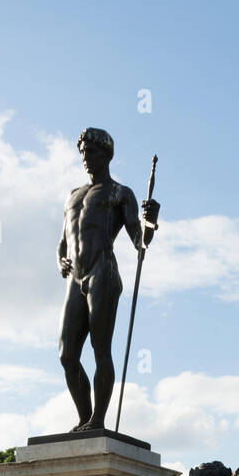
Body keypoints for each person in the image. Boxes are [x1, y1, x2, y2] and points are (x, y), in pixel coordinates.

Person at [58, 128, 159, 431]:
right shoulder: (73, 195)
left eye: (92, 152)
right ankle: (84, 418)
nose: (86, 158)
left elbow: (139, 240)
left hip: (103, 271)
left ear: (107, 154)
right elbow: (63, 241)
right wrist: (60, 259)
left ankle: (97, 420)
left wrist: (151, 219)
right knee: (66, 355)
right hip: (74, 277)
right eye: (83, 152)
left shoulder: (120, 193)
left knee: (101, 349)